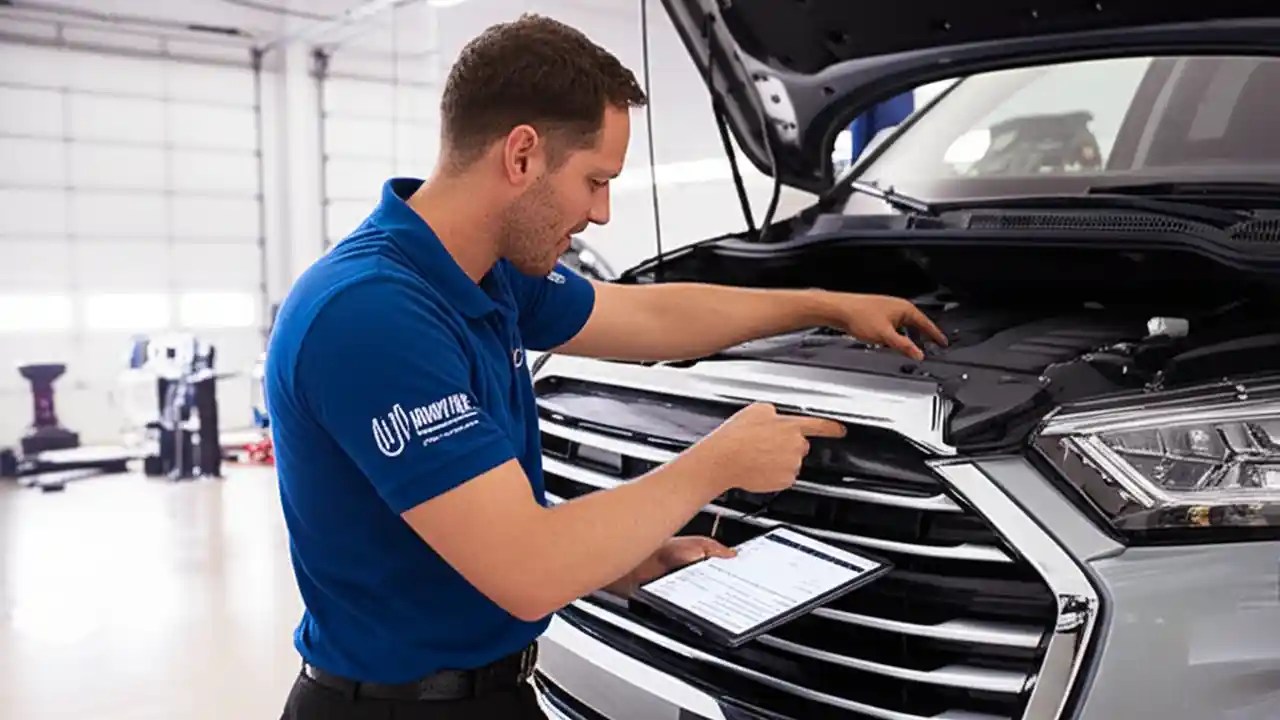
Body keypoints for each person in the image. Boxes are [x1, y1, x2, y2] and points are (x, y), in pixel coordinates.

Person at [267, 14, 947, 720]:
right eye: (595, 180)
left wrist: (824, 305)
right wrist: (716, 464)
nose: (602, 213)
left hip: (494, 691)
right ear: (522, 155)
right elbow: (528, 569)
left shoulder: (486, 275)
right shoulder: (371, 316)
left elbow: (652, 318)